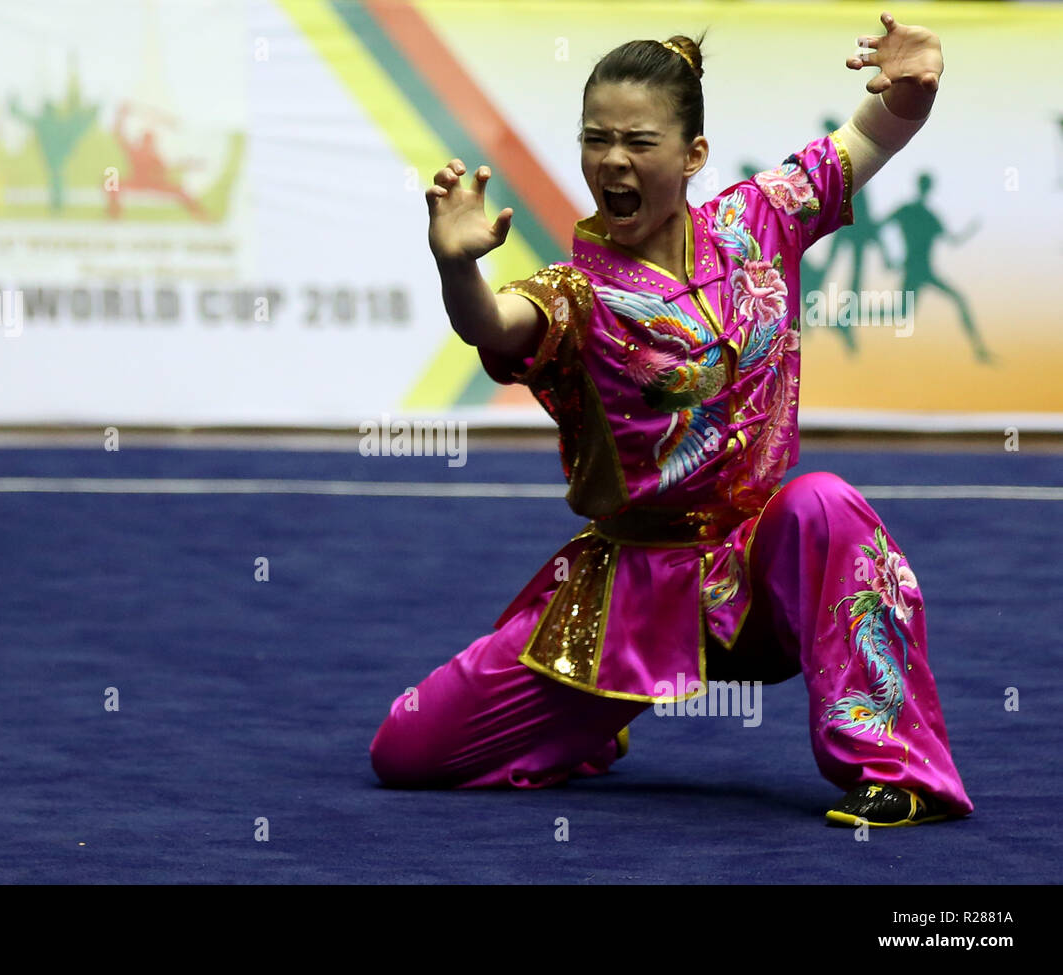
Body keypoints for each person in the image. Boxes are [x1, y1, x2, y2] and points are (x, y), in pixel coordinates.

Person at [370, 12, 973, 828]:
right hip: (631, 589)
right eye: (596, 139)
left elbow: (873, 134)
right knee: (404, 752)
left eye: (639, 142)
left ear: (692, 157)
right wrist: (457, 269)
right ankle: (586, 720)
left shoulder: (762, 219)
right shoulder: (577, 293)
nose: (613, 160)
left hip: (759, 572)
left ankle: (897, 773)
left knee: (826, 502)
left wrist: (916, 86)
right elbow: (496, 324)